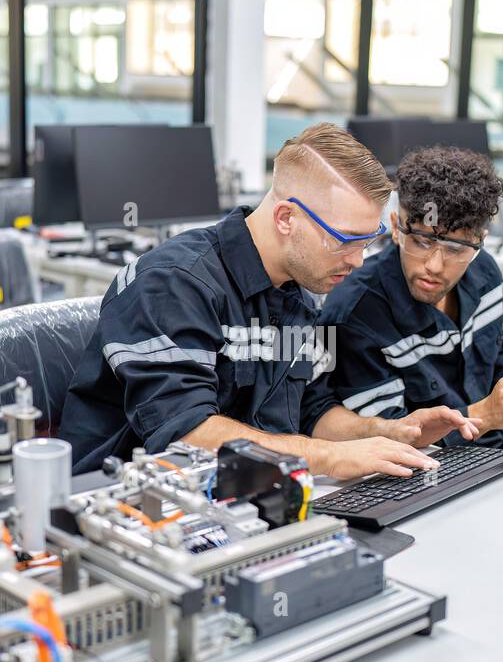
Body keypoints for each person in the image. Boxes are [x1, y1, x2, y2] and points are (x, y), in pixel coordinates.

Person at [62, 123, 476, 476]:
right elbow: (185, 435)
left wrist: (384, 434)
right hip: (127, 505)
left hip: (245, 492)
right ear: (285, 219)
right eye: (345, 240)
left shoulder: (305, 290)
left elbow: (312, 410)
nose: (357, 259)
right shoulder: (173, 284)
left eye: (368, 241)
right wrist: (331, 458)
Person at [310, 145, 503, 481]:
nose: (434, 266)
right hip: (429, 468)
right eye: (422, 242)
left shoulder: (485, 273)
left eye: (457, 249)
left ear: (480, 241)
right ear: (396, 227)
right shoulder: (355, 313)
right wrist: (485, 415)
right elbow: (392, 435)